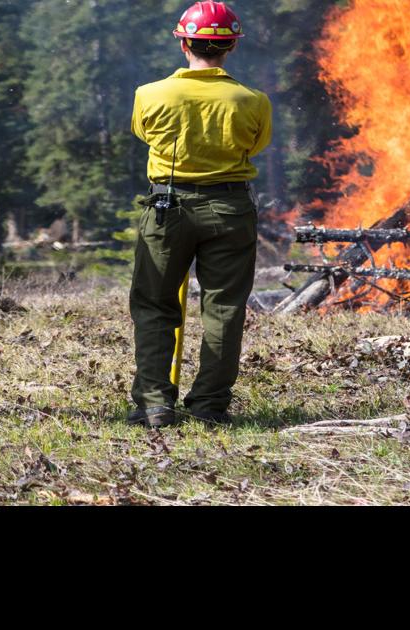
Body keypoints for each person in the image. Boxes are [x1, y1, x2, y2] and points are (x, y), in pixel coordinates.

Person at [126, 1, 272, 428]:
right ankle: (210, 404)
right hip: (231, 209)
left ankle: (154, 403)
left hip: (167, 208)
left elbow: (144, 134)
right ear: (230, 47)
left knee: (154, 306)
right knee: (224, 307)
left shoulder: (149, 95)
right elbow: (255, 146)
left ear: (184, 43)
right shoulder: (254, 101)